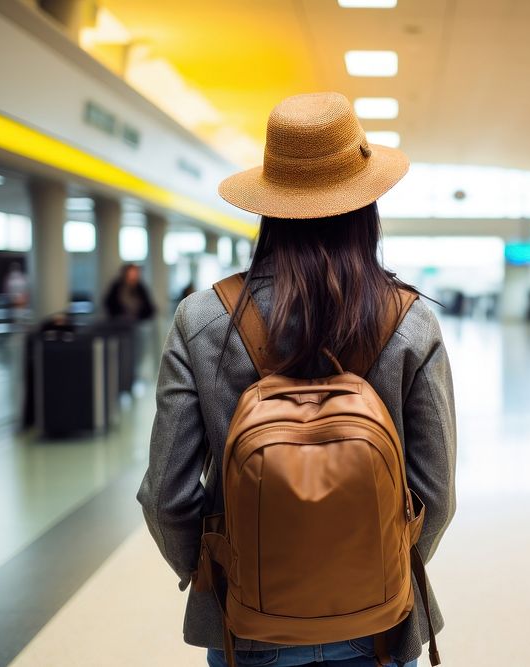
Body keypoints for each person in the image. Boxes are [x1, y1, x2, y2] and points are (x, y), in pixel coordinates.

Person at [137, 93, 456, 667]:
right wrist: (381, 565)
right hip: (382, 622)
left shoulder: (202, 320)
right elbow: (436, 494)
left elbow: (167, 496)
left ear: (269, 204)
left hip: (248, 626)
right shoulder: (410, 322)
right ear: (368, 207)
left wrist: (221, 576)